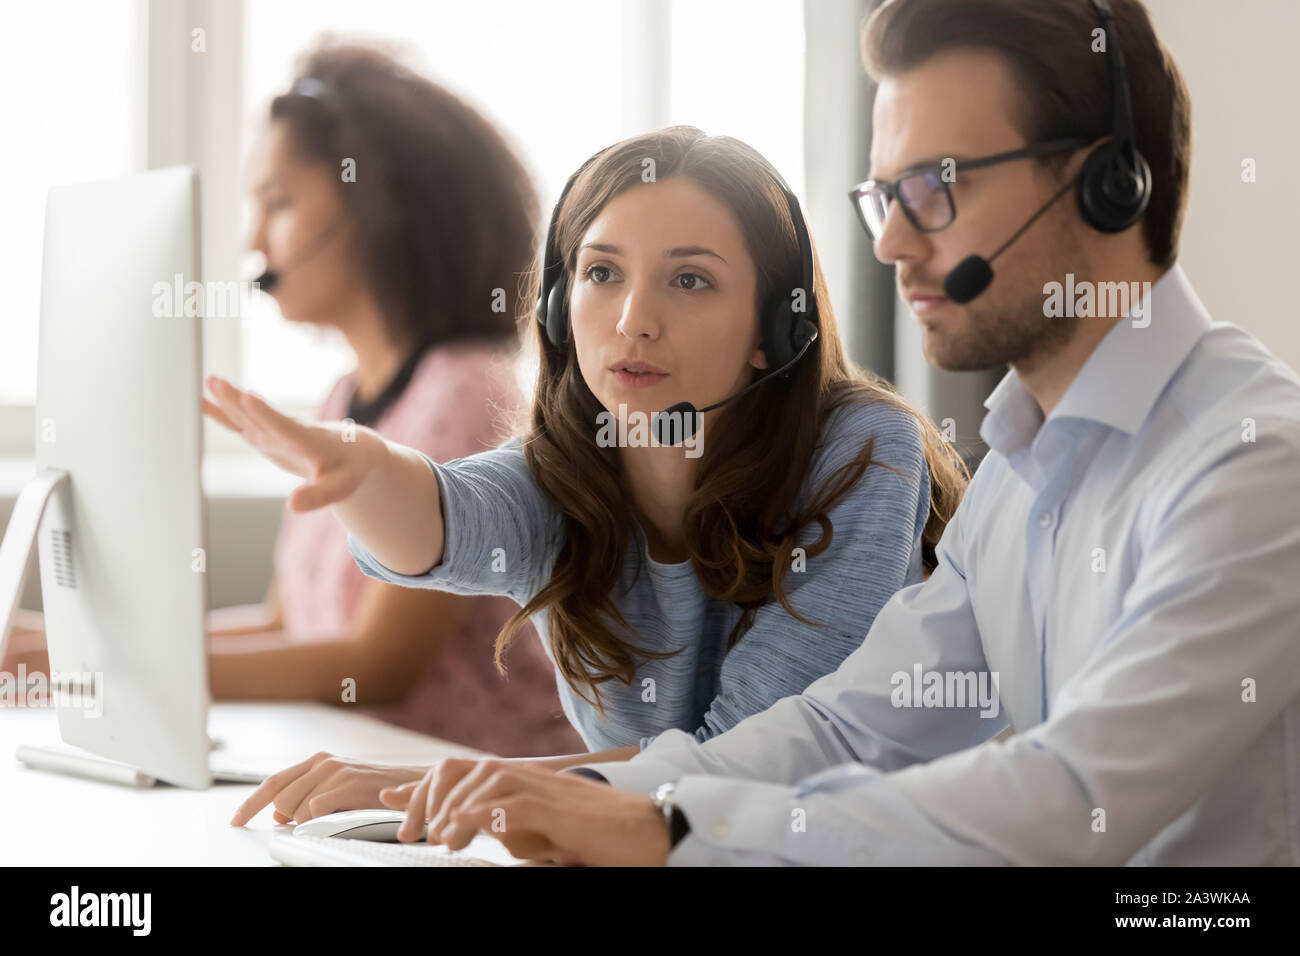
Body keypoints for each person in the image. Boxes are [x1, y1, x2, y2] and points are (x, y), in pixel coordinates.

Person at [365, 0, 1300, 865]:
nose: (892, 241)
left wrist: (672, 828)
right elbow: (845, 728)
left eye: (938, 184)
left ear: (1107, 183)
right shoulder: (1024, 469)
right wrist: (541, 795)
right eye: (884, 194)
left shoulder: (1252, 463)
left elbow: (1075, 795)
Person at [215, 125, 970, 828]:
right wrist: (366, 472)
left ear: (776, 330)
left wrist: (435, 788)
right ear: (555, 310)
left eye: (691, 281)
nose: (633, 318)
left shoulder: (864, 450)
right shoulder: (570, 467)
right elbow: (447, 519)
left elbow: (751, 759)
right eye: (602, 272)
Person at [2, 40, 585, 759]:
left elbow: (373, 664)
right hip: (365, 780)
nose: (254, 239)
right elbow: (292, 627)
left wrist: (89, 670)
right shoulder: (345, 398)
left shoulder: (469, 391)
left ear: (380, 206)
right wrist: (75, 645)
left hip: (473, 796)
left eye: (277, 202)